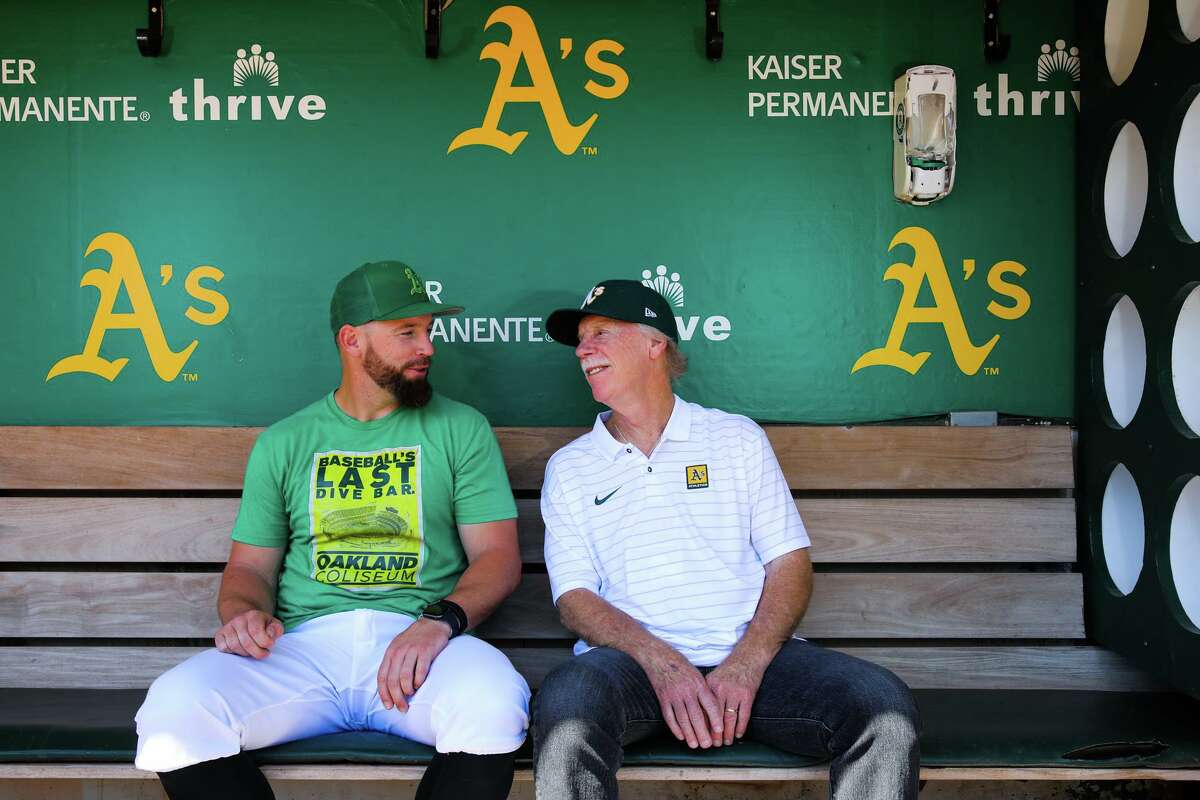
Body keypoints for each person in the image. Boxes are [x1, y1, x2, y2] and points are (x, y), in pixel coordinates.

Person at [135, 261, 530, 800]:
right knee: (174, 708)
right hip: (302, 650)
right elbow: (249, 568)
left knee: (494, 699)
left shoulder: (461, 429)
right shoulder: (285, 441)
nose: (428, 348)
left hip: (420, 645)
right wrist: (243, 616)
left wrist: (439, 622)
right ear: (351, 339)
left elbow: (497, 559)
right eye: (406, 333)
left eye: (428, 331)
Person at [532, 279, 920, 799]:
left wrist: (745, 663)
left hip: (753, 659)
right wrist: (665, 665)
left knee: (882, 706)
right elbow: (575, 600)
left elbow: (789, 564)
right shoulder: (572, 466)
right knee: (566, 708)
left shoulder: (735, 438)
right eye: (580, 340)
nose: (583, 349)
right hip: (631, 667)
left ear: (655, 343)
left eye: (600, 333)